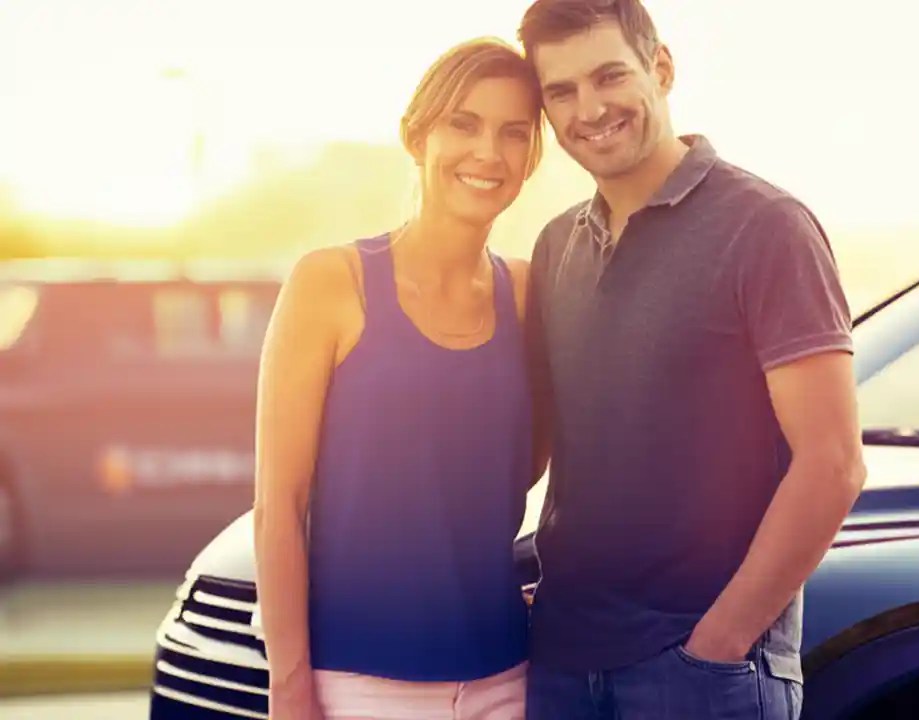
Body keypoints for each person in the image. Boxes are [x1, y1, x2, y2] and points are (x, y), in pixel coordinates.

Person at [516, 1, 869, 718]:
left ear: (662, 68)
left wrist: (722, 640)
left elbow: (833, 463)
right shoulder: (557, 246)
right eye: (561, 91)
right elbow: (539, 450)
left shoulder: (766, 228)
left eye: (609, 75)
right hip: (560, 665)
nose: (590, 109)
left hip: (702, 674)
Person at [253, 37, 544, 720]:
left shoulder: (530, 296)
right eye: (462, 124)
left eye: (513, 133)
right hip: (360, 683)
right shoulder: (329, 282)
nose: (487, 153)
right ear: (416, 137)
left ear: (531, 158)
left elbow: (524, 469)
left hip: (505, 676)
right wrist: (289, 687)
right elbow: (279, 505)